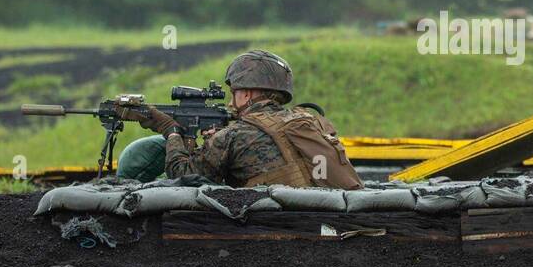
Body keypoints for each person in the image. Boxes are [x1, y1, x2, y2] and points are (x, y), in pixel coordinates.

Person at [117, 50, 363, 189]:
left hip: (276, 224)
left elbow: (182, 176)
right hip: (325, 209)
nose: (231, 100)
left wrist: (170, 131)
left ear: (246, 93)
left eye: (234, 92)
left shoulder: (233, 135)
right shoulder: (307, 119)